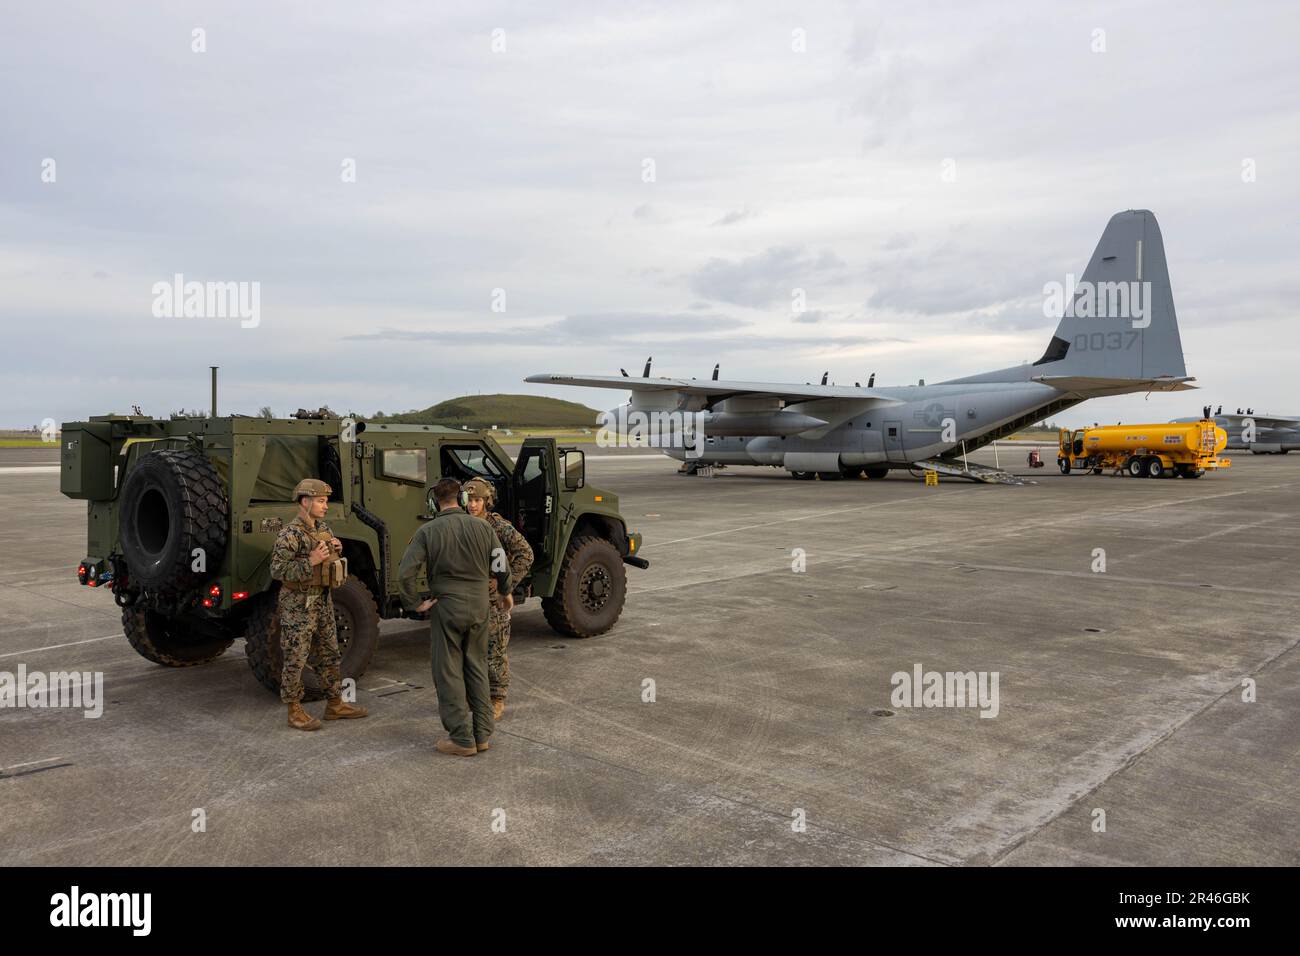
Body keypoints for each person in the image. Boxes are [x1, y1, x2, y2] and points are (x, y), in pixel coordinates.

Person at [397, 477, 512, 756]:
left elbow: (405, 573)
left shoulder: (428, 531)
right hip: (479, 606)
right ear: (461, 499)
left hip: (447, 605)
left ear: (434, 502)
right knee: (476, 666)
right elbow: (500, 563)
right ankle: (482, 734)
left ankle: (461, 738)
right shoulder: (484, 527)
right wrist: (504, 591)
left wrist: (415, 603)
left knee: (448, 670)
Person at [269, 478, 370, 731]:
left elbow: (329, 558)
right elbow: (278, 570)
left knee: (329, 652)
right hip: (298, 603)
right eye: (321, 501)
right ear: (305, 502)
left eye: (326, 501)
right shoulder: (290, 534)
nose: (326, 506)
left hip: (323, 599)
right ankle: (294, 710)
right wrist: (311, 560)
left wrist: (337, 546)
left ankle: (335, 703)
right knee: (296, 657)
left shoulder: (321, 527)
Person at [463, 478, 533, 720]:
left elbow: (525, 553)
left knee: (494, 652)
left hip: (493, 601)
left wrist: (506, 584)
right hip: (469, 598)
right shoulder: (461, 524)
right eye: (469, 500)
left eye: (477, 500)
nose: (472, 505)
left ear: (486, 501)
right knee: (469, 650)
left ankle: (497, 698)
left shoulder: (498, 526)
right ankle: (473, 696)